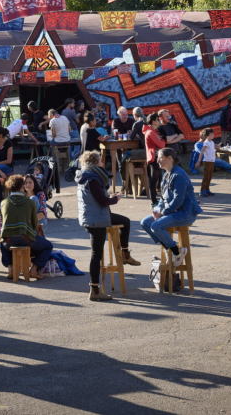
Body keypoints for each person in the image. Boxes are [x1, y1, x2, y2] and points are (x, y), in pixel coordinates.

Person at [77, 150, 139, 302]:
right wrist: (115, 199)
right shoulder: (92, 179)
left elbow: (98, 199)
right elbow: (103, 201)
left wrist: (109, 198)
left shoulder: (86, 175)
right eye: (100, 161)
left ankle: (125, 254)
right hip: (96, 220)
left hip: (95, 216)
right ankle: (95, 290)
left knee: (125, 222)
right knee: (96, 255)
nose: (103, 163)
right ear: (94, 163)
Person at [141, 148, 201, 257]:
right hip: (173, 211)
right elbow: (163, 198)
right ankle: (170, 247)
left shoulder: (179, 175)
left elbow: (178, 200)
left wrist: (163, 213)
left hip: (185, 213)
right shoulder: (166, 174)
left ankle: (176, 252)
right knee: (145, 222)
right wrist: (157, 210)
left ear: (170, 158)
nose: (157, 160)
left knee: (156, 226)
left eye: (160, 158)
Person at [0, 174, 53, 280]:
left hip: (8, 239)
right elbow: (33, 224)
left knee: (3, 244)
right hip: (26, 238)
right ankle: (34, 270)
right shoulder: (30, 202)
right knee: (48, 246)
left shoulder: (4, 202)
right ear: (21, 187)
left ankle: (11, 269)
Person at [144, 113, 166, 205]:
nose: (159, 121)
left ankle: (160, 200)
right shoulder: (150, 132)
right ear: (153, 121)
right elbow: (162, 144)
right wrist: (162, 141)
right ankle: (153, 202)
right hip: (154, 158)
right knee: (154, 180)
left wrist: (162, 141)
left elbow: (162, 142)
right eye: (157, 119)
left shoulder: (154, 131)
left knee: (160, 179)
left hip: (158, 157)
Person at [195, 128, 217, 197]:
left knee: (210, 177)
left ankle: (207, 189)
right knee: (206, 177)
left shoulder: (212, 142)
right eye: (211, 134)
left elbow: (212, 151)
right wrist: (199, 161)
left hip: (212, 162)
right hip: (207, 162)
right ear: (206, 136)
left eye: (213, 133)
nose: (213, 135)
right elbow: (202, 152)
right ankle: (202, 191)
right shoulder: (206, 143)